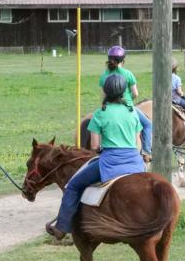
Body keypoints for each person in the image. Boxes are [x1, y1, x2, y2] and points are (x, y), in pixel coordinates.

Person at [46, 74, 145, 239]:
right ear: (123, 92)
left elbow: (94, 146)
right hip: (136, 163)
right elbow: (138, 144)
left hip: (110, 162)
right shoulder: (133, 113)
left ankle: (62, 227)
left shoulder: (99, 114)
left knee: (72, 186)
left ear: (105, 92)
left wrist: (103, 148)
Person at [100, 46, 152, 162]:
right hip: (127, 106)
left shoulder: (104, 75)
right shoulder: (128, 74)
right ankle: (146, 152)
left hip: (109, 106)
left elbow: (103, 96)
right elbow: (135, 93)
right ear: (123, 60)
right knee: (148, 124)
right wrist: (129, 100)